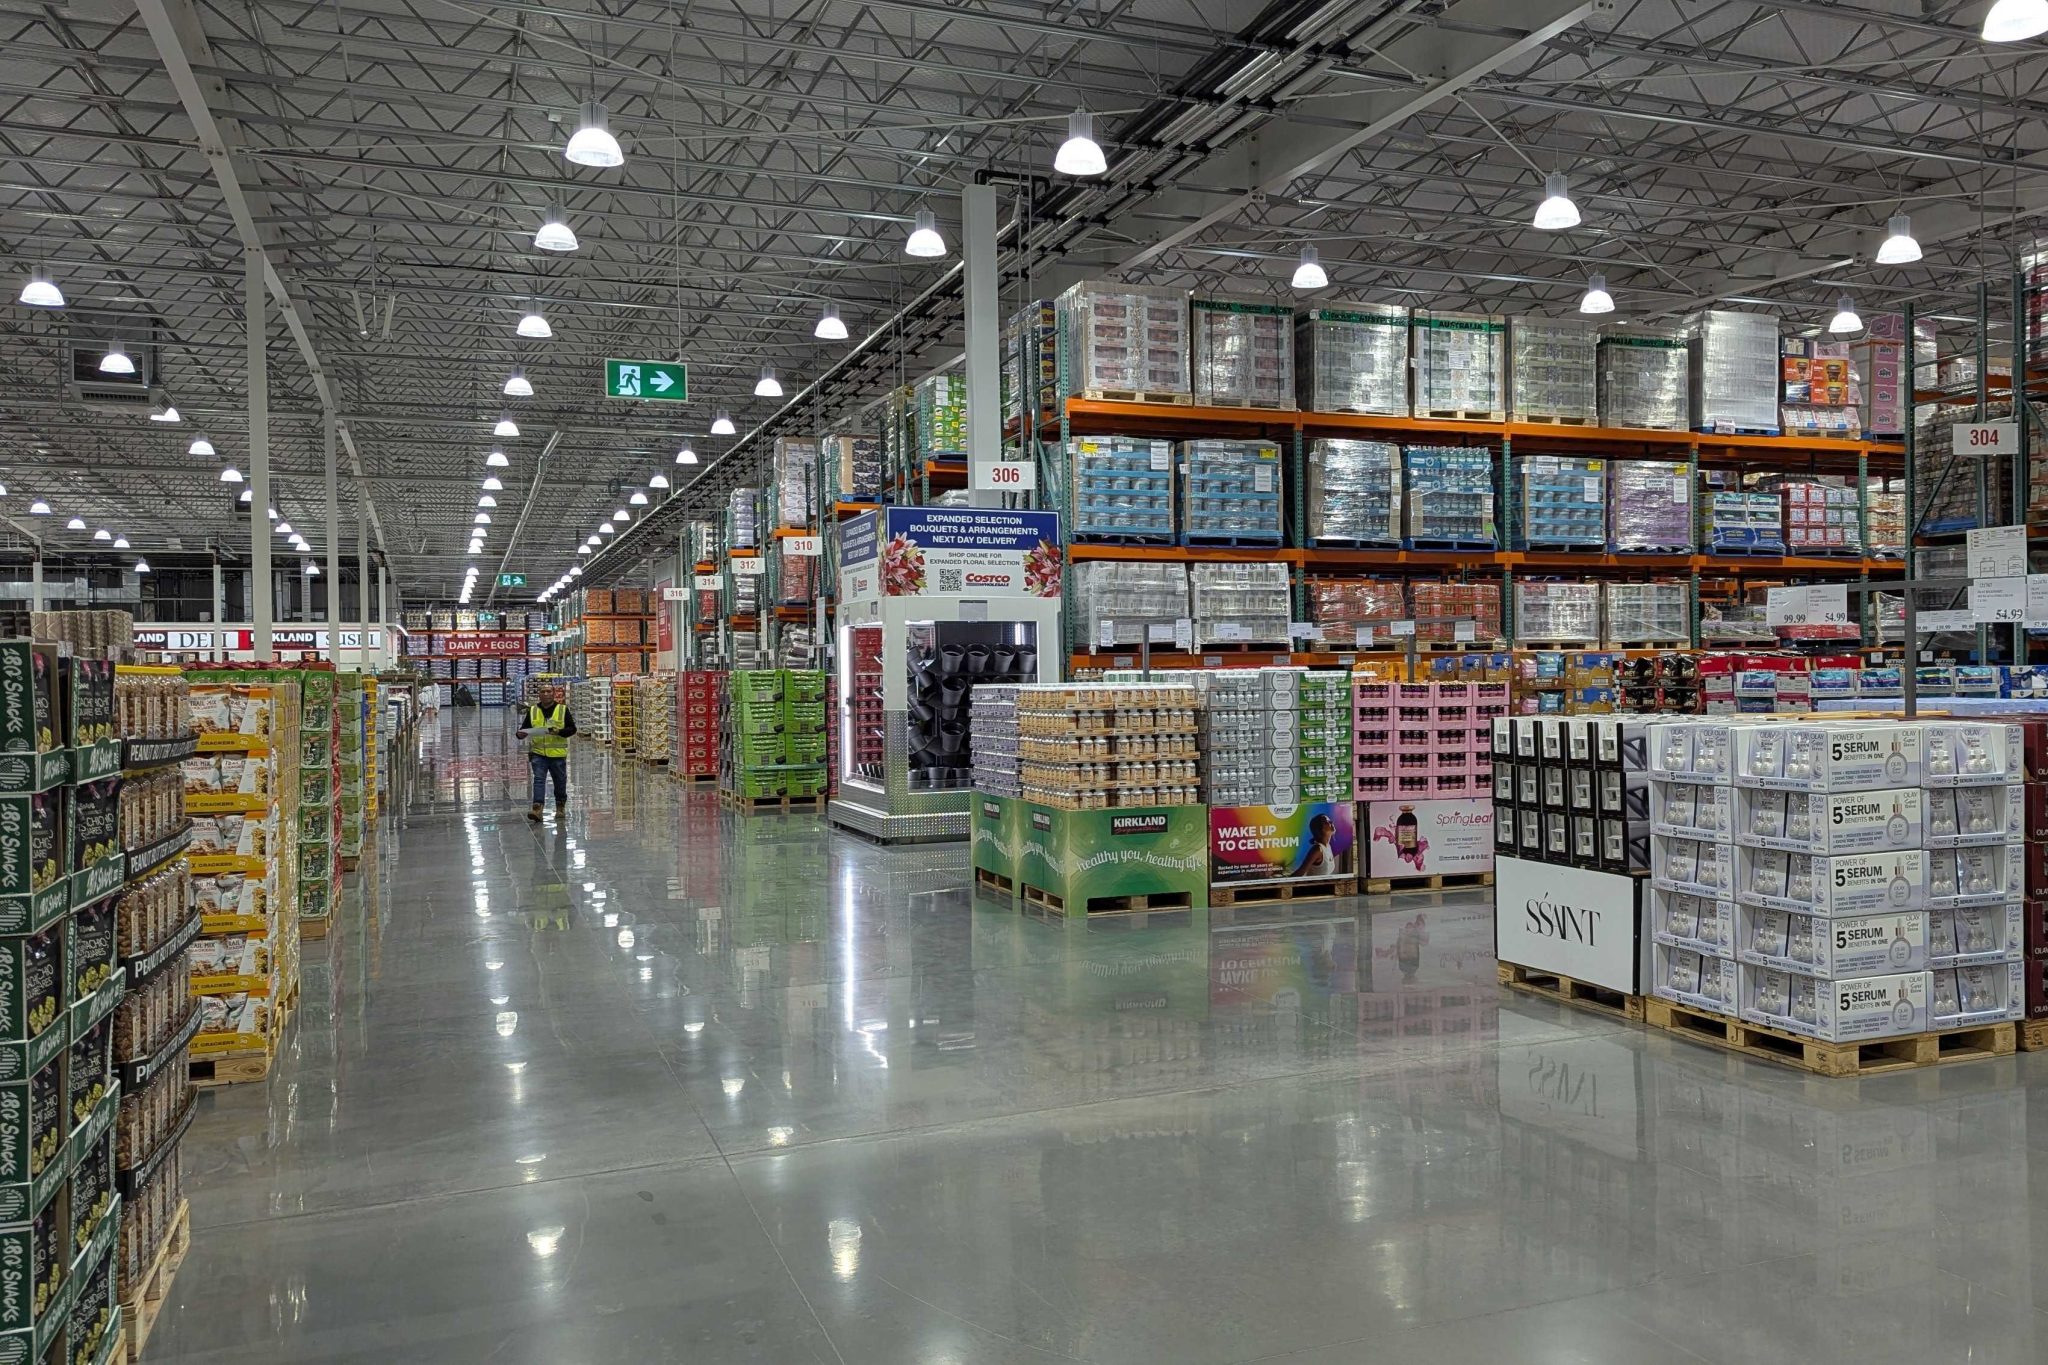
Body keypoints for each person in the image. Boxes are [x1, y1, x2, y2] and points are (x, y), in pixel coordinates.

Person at [517, 683, 577, 820]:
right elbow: (524, 728)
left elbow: (572, 729)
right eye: (543, 691)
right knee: (538, 780)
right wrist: (520, 734)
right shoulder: (532, 710)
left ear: (554, 693)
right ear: (539, 694)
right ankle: (537, 809)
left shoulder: (562, 710)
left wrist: (559, 732)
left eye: (548, 691)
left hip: (557, 754)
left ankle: (560, 806)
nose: (546, 694)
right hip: (538, 753)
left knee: (560, 781)